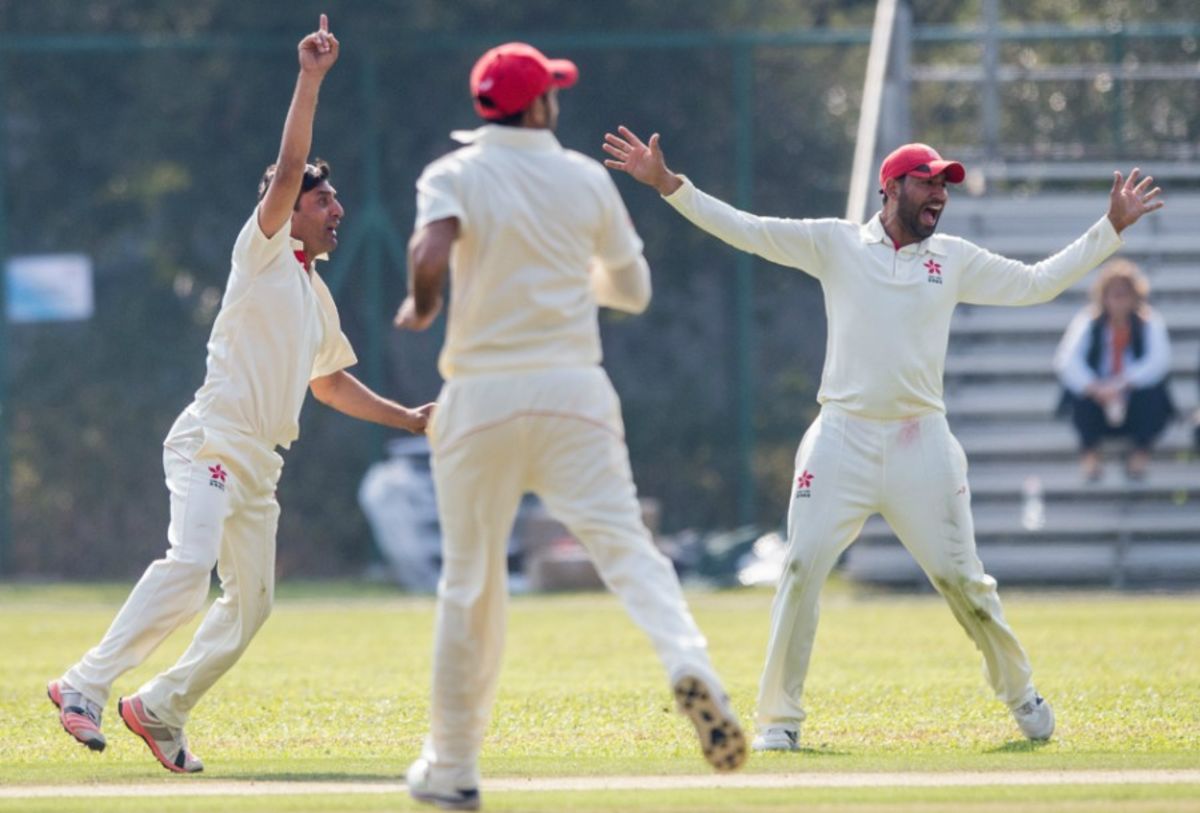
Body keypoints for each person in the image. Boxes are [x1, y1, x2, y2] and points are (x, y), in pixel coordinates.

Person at [603, 128, 1162, 751]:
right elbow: (746, 229)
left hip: (921, 441)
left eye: (945, 186)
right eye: (928, 183)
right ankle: (779, 721)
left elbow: (1036, 283)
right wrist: (668, 185)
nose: (940, 195)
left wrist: (1108, 228)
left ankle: (1021, 696)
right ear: (890, 187)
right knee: (801, 567)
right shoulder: (836, 243)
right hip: (841, 434)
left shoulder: (952, 258)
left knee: (965, 584)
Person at [47, 14, 433, 773]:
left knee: (252, 603)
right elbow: (289, 164)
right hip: (213, 438)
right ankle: (84, 684)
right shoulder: (261, 252)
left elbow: (327, 383)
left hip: (261, 463)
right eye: (324, 202)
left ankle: (159, 707)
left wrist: (409, 418)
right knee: (191, 568)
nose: (336, 211)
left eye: (333, 203)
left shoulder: (314, 292)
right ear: (289, 209)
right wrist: (310, 79)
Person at [395, 42, 745, 810]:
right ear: (542, 107)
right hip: (572, 392)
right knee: (628, 549)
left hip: (479, 397)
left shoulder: (451, 173)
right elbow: (636, 289)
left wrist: (423, 306)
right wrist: (570, 276)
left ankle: (451, 768)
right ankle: (694, 667)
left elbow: (430, 248)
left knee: (470, 584)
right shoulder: (584, 177)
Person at [1054, 258, 1175, 481]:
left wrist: (1122, 383)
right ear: (1103, 296)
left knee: (1154, 394)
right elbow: (1067, 360)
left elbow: (1158, 362)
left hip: (1132, 398)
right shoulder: (1088, 322)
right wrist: (1096, 388)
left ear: (1135, 296)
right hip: (1099, 399)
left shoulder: (1149, 322)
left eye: (1124, 293)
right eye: (1114, 293)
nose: (1119, 300)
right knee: (1078, 395)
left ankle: (1139, 456)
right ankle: (1090, 456)